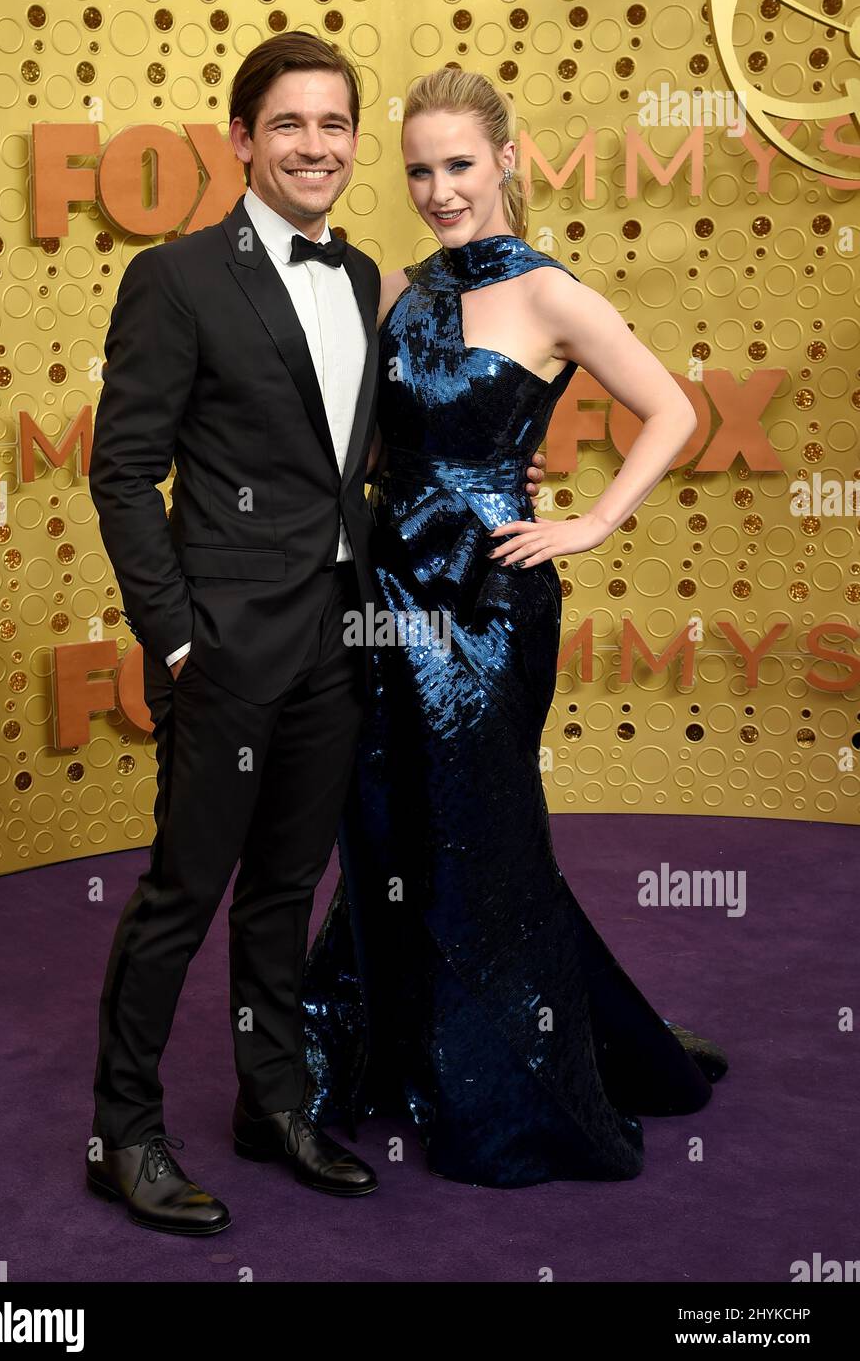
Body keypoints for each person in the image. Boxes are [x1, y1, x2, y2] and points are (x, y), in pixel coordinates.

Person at [85, 34, 550, 1233]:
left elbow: (376, 450)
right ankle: (122, 1132)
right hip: (227, 650)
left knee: (284, 890)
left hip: (344, 645)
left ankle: (273, 1101)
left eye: (334, 126)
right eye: (288, 125)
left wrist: (497, 464)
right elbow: (125, 473)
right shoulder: (176, 278)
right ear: (243, 140)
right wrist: (179, 640)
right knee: (183, 895)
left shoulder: (362, 281)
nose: (315, 147)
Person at [301, 67, 729, 1188]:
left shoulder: (553, 295)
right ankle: (411, 1059)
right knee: (390, 824)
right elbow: (375, 447)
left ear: (505, 160)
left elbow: (676, 409)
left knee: (481, 833)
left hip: (488, 605)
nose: (441, 189)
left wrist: (590, 521)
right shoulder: (396, 288)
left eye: (459, 164)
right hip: (389, 593)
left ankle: (513, 1094)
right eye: (421, 170)